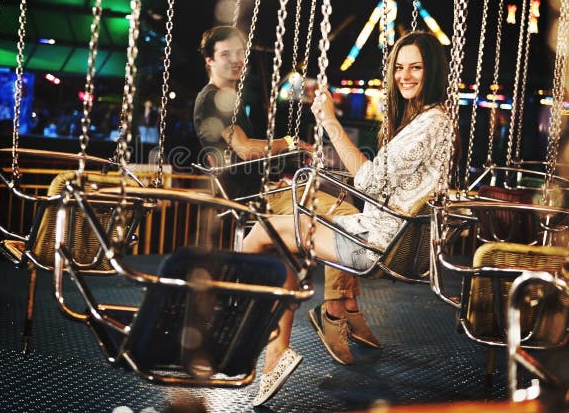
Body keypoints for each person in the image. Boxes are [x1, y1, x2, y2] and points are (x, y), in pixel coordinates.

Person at [242, 31, 452, 406]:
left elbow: (369, 181)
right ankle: (275, 350)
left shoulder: (432, 123)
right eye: (400, 67)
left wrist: (331, 124)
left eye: (416, 67)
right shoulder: (428, 121)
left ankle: (237, 316)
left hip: (372, 241)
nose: (405, 75)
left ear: (432, 70)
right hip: (375, 230)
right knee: (277, 243)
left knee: (262, 232)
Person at [192, 25, 379, 378]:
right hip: (258, 198)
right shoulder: (212, 99)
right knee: (346, 218)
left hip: (269, 187)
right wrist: (291, 142)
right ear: (209, 61)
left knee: (344, 213)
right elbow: (245, 148)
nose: (235, 60)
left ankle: (345, 305)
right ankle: (337, 312)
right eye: (225, 54)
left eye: (238, 52)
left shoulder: (231, 99)